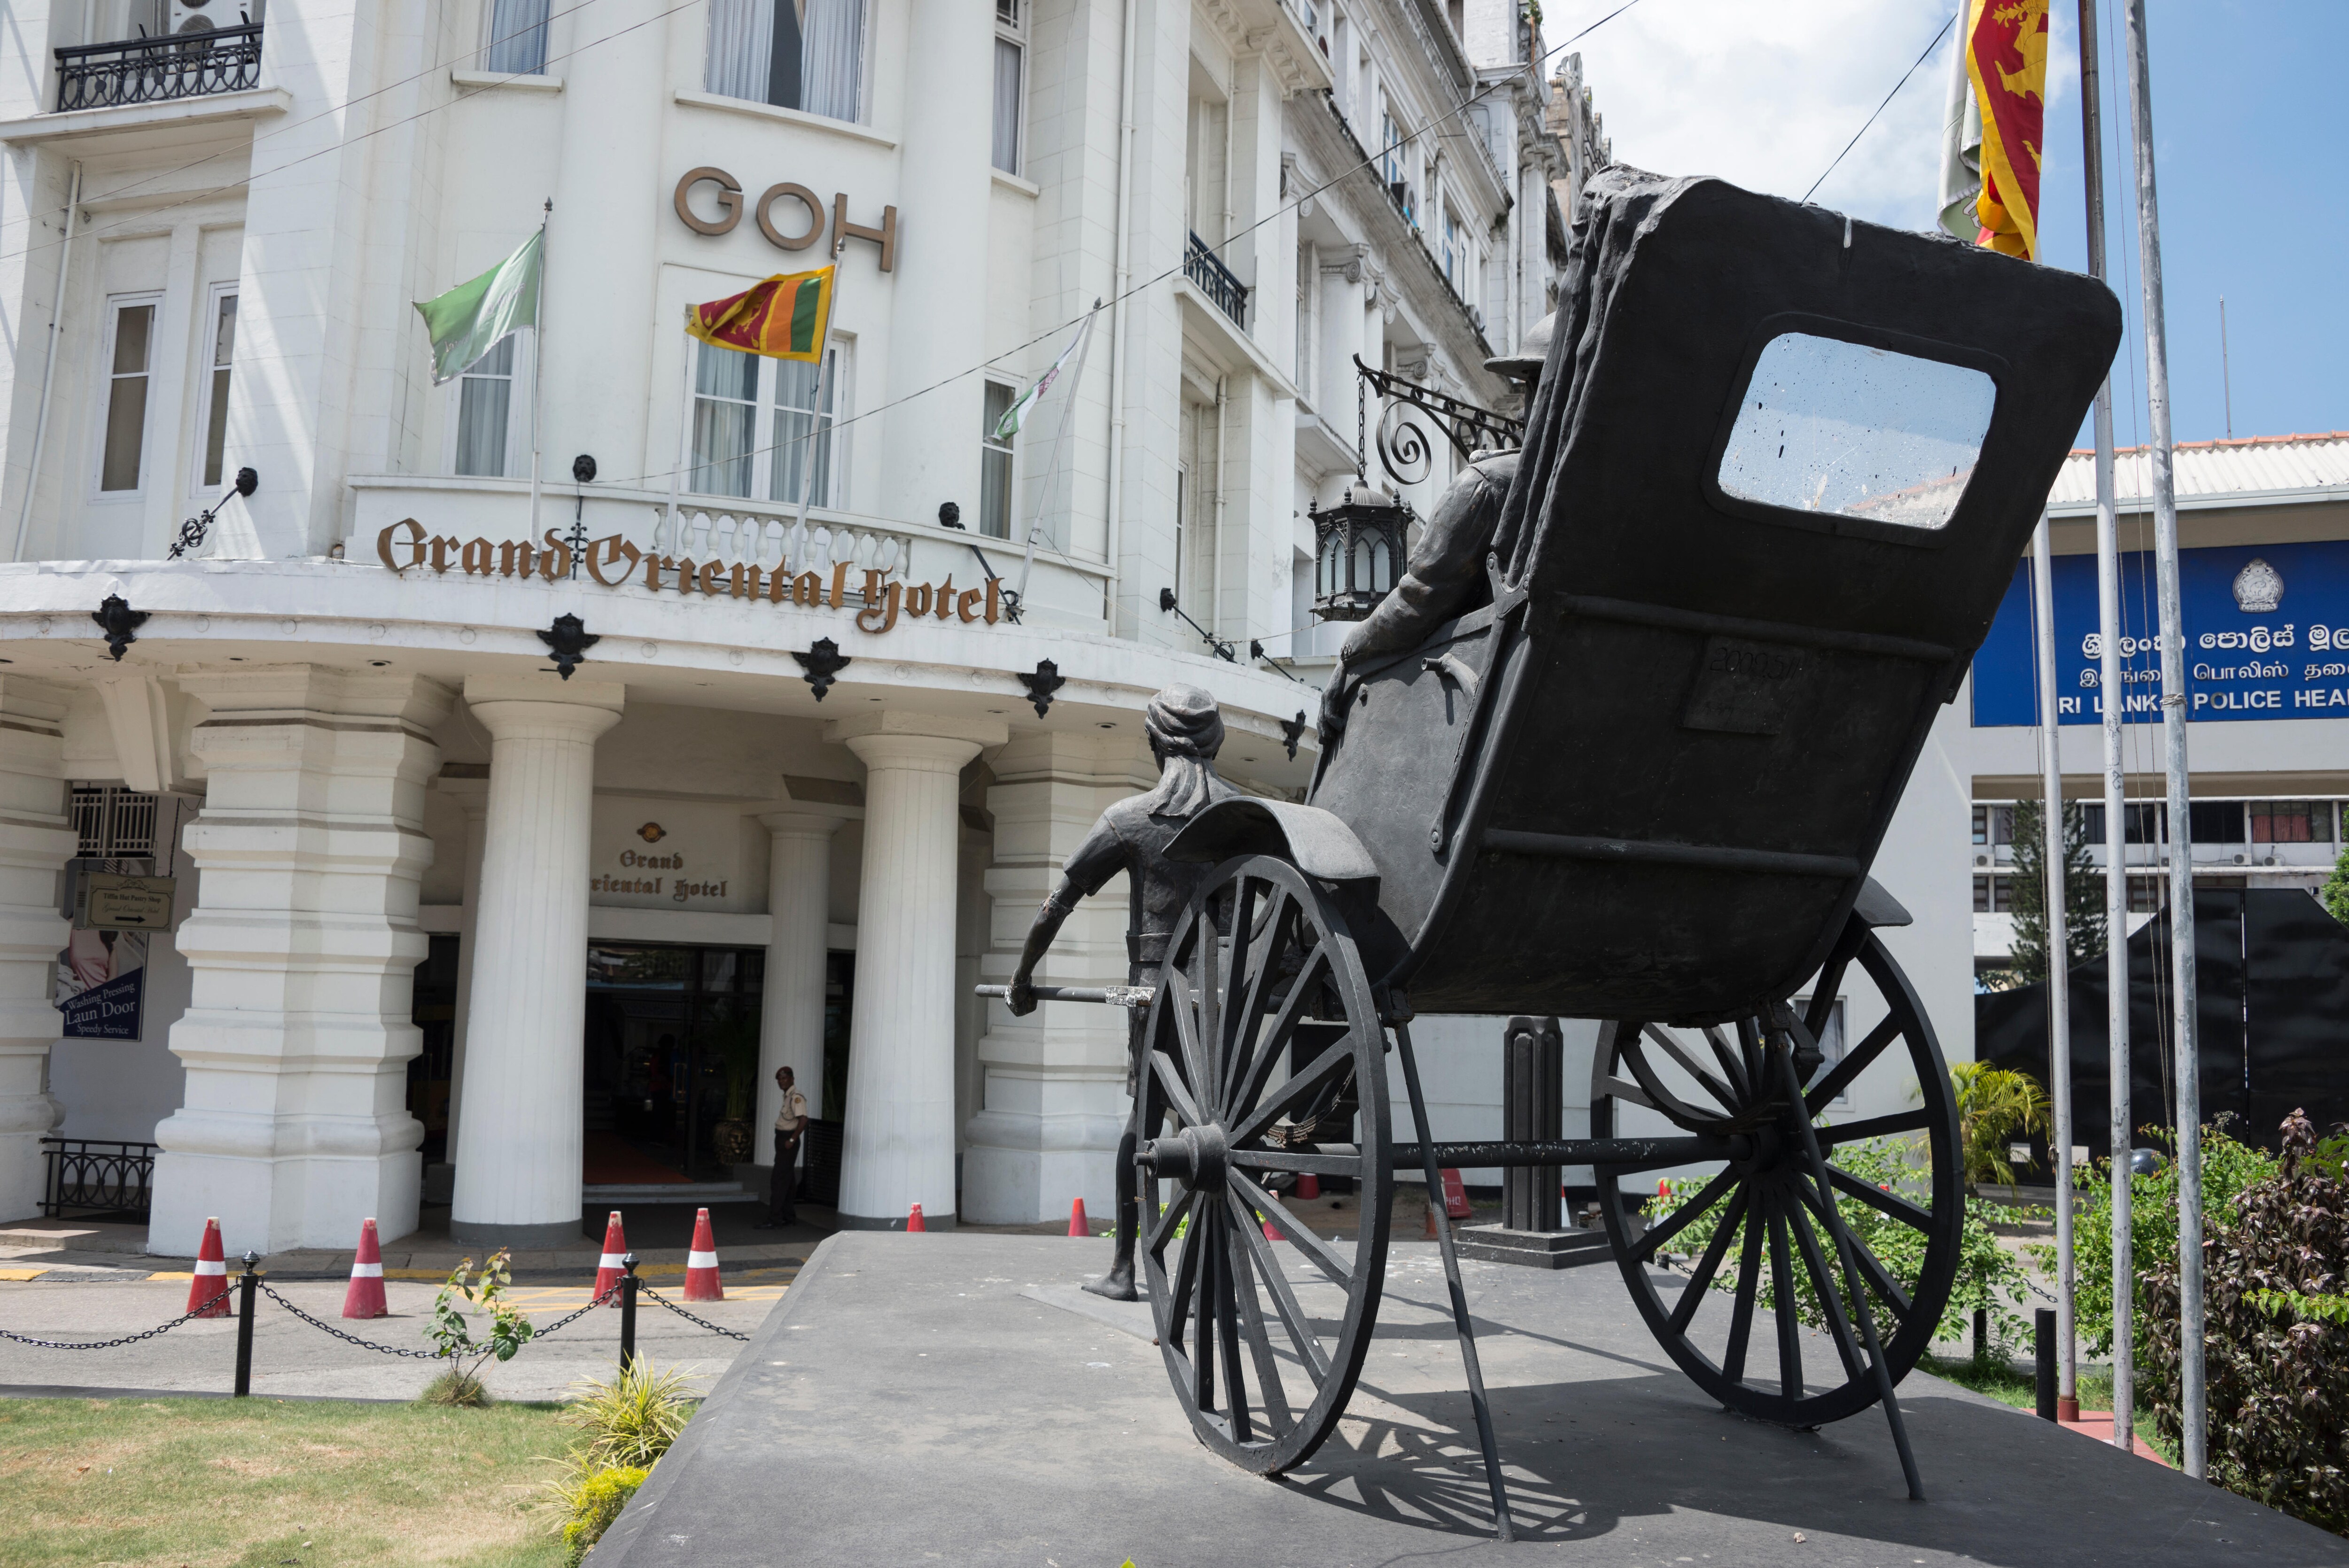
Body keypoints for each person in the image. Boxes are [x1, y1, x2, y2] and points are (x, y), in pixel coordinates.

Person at [1006, 683, 1239, 1301]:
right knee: (1221, 1120)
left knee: (1142, 1125)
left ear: (1155, 741)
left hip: (1156, 990)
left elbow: (1057, 904)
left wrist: (1022, 977)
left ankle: (1124, 1269)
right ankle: (1212, 1264)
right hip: (1224, 991)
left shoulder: (1131, 818)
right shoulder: (1246, 817)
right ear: (1217, 743)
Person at [1316, 312, 1553, 745]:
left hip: (1493, 723)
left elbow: (1416, 601)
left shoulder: (1490, 486)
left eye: (1526, 389)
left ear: (1537, 392)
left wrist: (1349, 654)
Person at [758, 1064, 809, 1229]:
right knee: (788, 1180)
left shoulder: (796, 1097)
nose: (782, 1081)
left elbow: (803, 1120)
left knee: (779, 1179)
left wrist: (792, 1140)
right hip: (783, 1139)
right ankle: (788, 1217)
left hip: (788, 1140)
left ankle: (775, 1219)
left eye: (785, 1078)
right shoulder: (788, 1096)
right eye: (780, 1079)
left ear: (792, 1079)